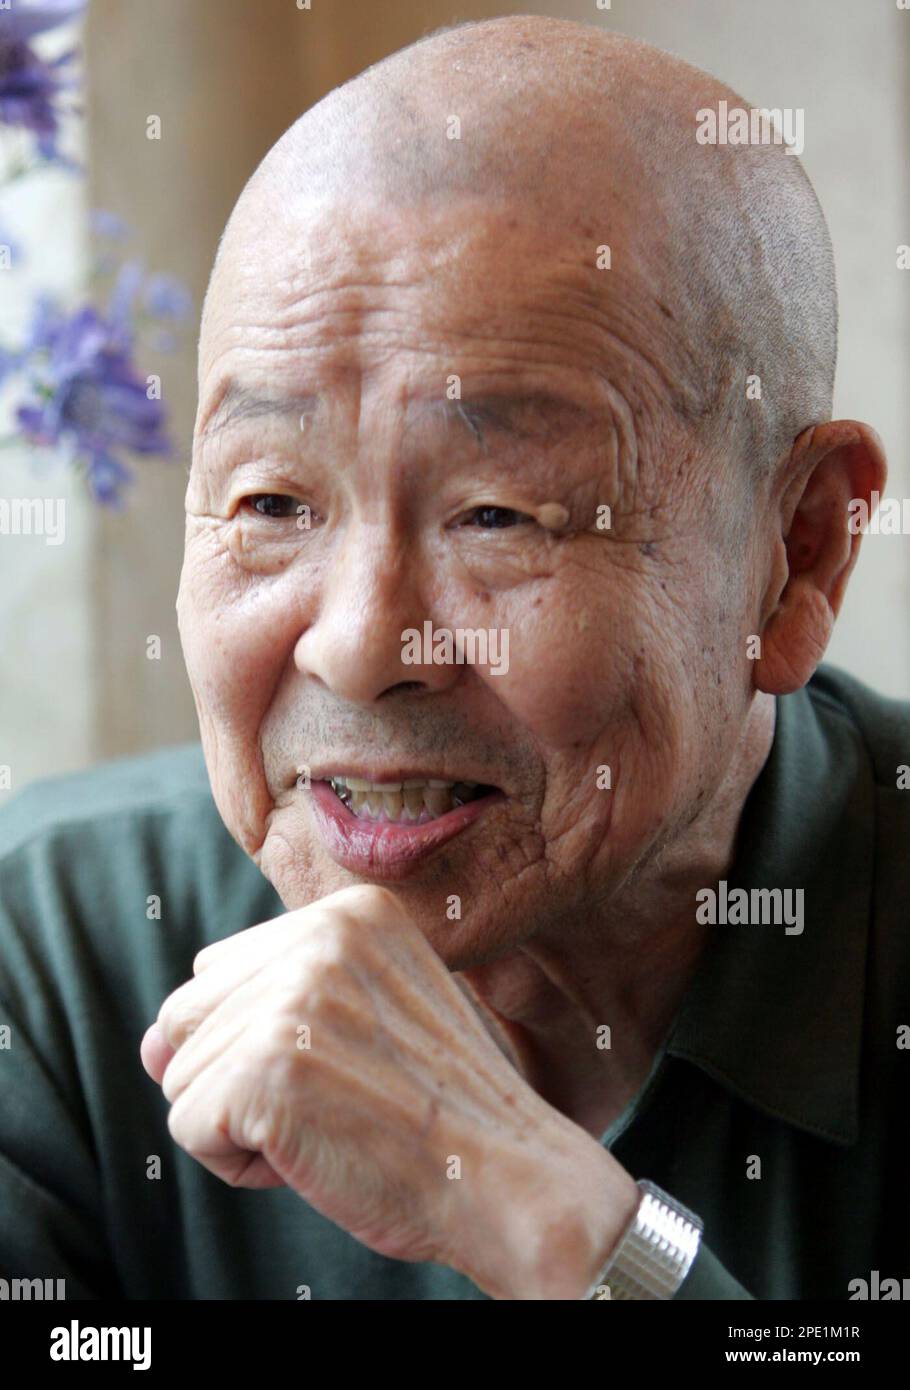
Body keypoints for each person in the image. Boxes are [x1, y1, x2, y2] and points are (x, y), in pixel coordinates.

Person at [0, 15, 904, 1301]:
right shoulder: (52, 951)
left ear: (796, 549)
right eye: (271, 503)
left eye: (499, 515)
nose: (363, 647)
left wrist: (571, 1237)